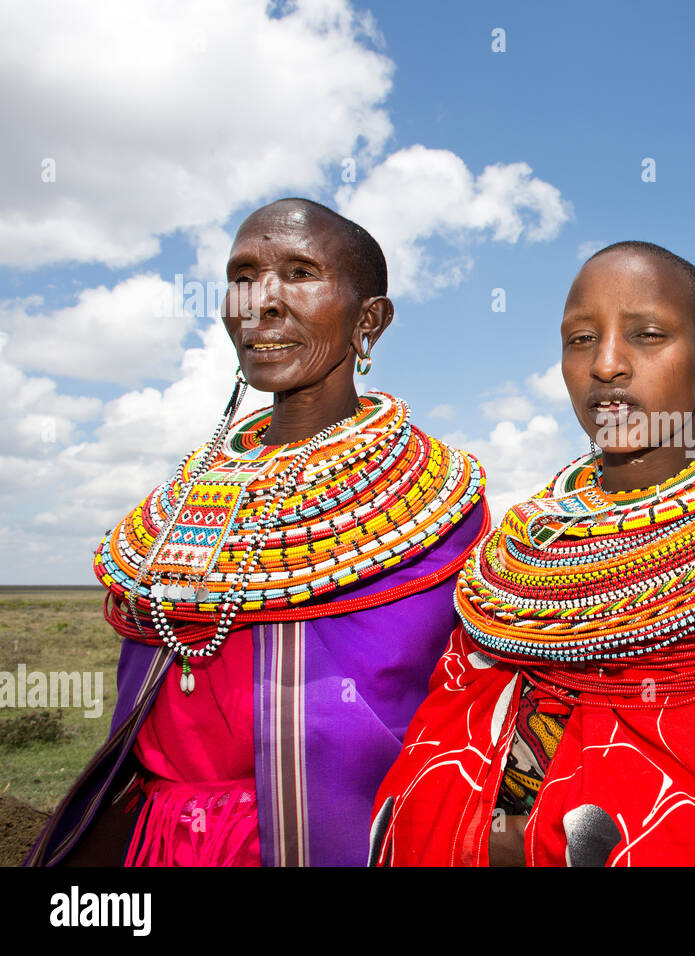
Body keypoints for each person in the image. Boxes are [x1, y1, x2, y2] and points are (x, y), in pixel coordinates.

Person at [370, 241, 695, 866]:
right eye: (581, 340)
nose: (607, 364)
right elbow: (446, 730)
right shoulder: (517, 553)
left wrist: (532, 841)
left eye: (649, 335)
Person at [25, 198, 488, 867]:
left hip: (339, 843)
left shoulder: (431, 507)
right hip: (154, 843)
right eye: (243, 275)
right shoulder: (190, 498)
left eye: (300, 273)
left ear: (370, 321)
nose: (261, 302)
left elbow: (448, 704)